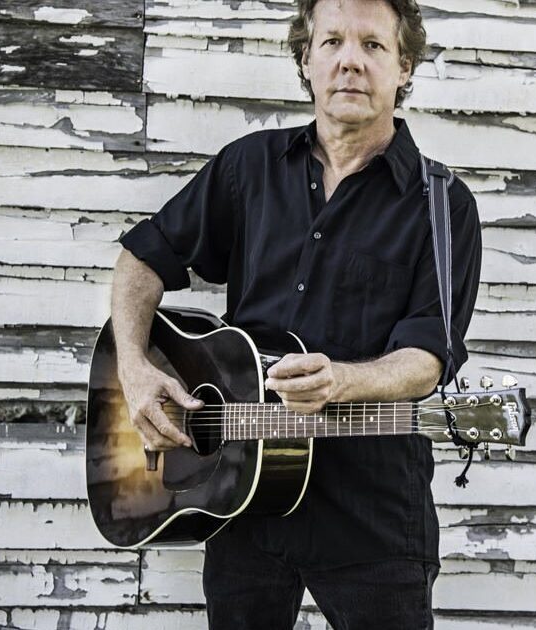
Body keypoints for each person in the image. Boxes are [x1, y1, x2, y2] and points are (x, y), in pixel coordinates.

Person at [107, 0, 482, 627]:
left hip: (373, 517)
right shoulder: (248, 168)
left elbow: (427, 359)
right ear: (306, 60)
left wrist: (344, 380)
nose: (350, 62)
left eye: (373, 46)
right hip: (240, 501)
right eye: (331, 42)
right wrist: (135, 368)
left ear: (405, 67)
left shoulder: (443, 207)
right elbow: (141, 260)